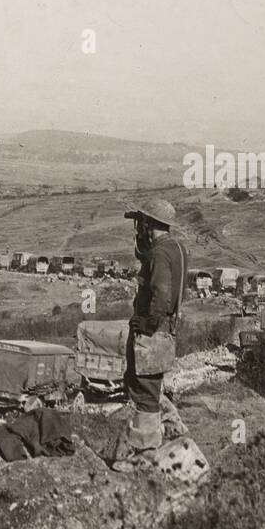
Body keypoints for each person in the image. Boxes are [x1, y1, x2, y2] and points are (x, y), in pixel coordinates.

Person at [115, 198, 188, 471]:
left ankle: (143, 457)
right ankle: (155, 444)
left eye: (140, 223)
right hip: (166, 330)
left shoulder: (158, 254)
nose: (138, 229)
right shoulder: (176, 248)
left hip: (152, 332)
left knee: (144, 393)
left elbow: (161, 294)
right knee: (151, 390)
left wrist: (147, 324)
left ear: (148, 224)